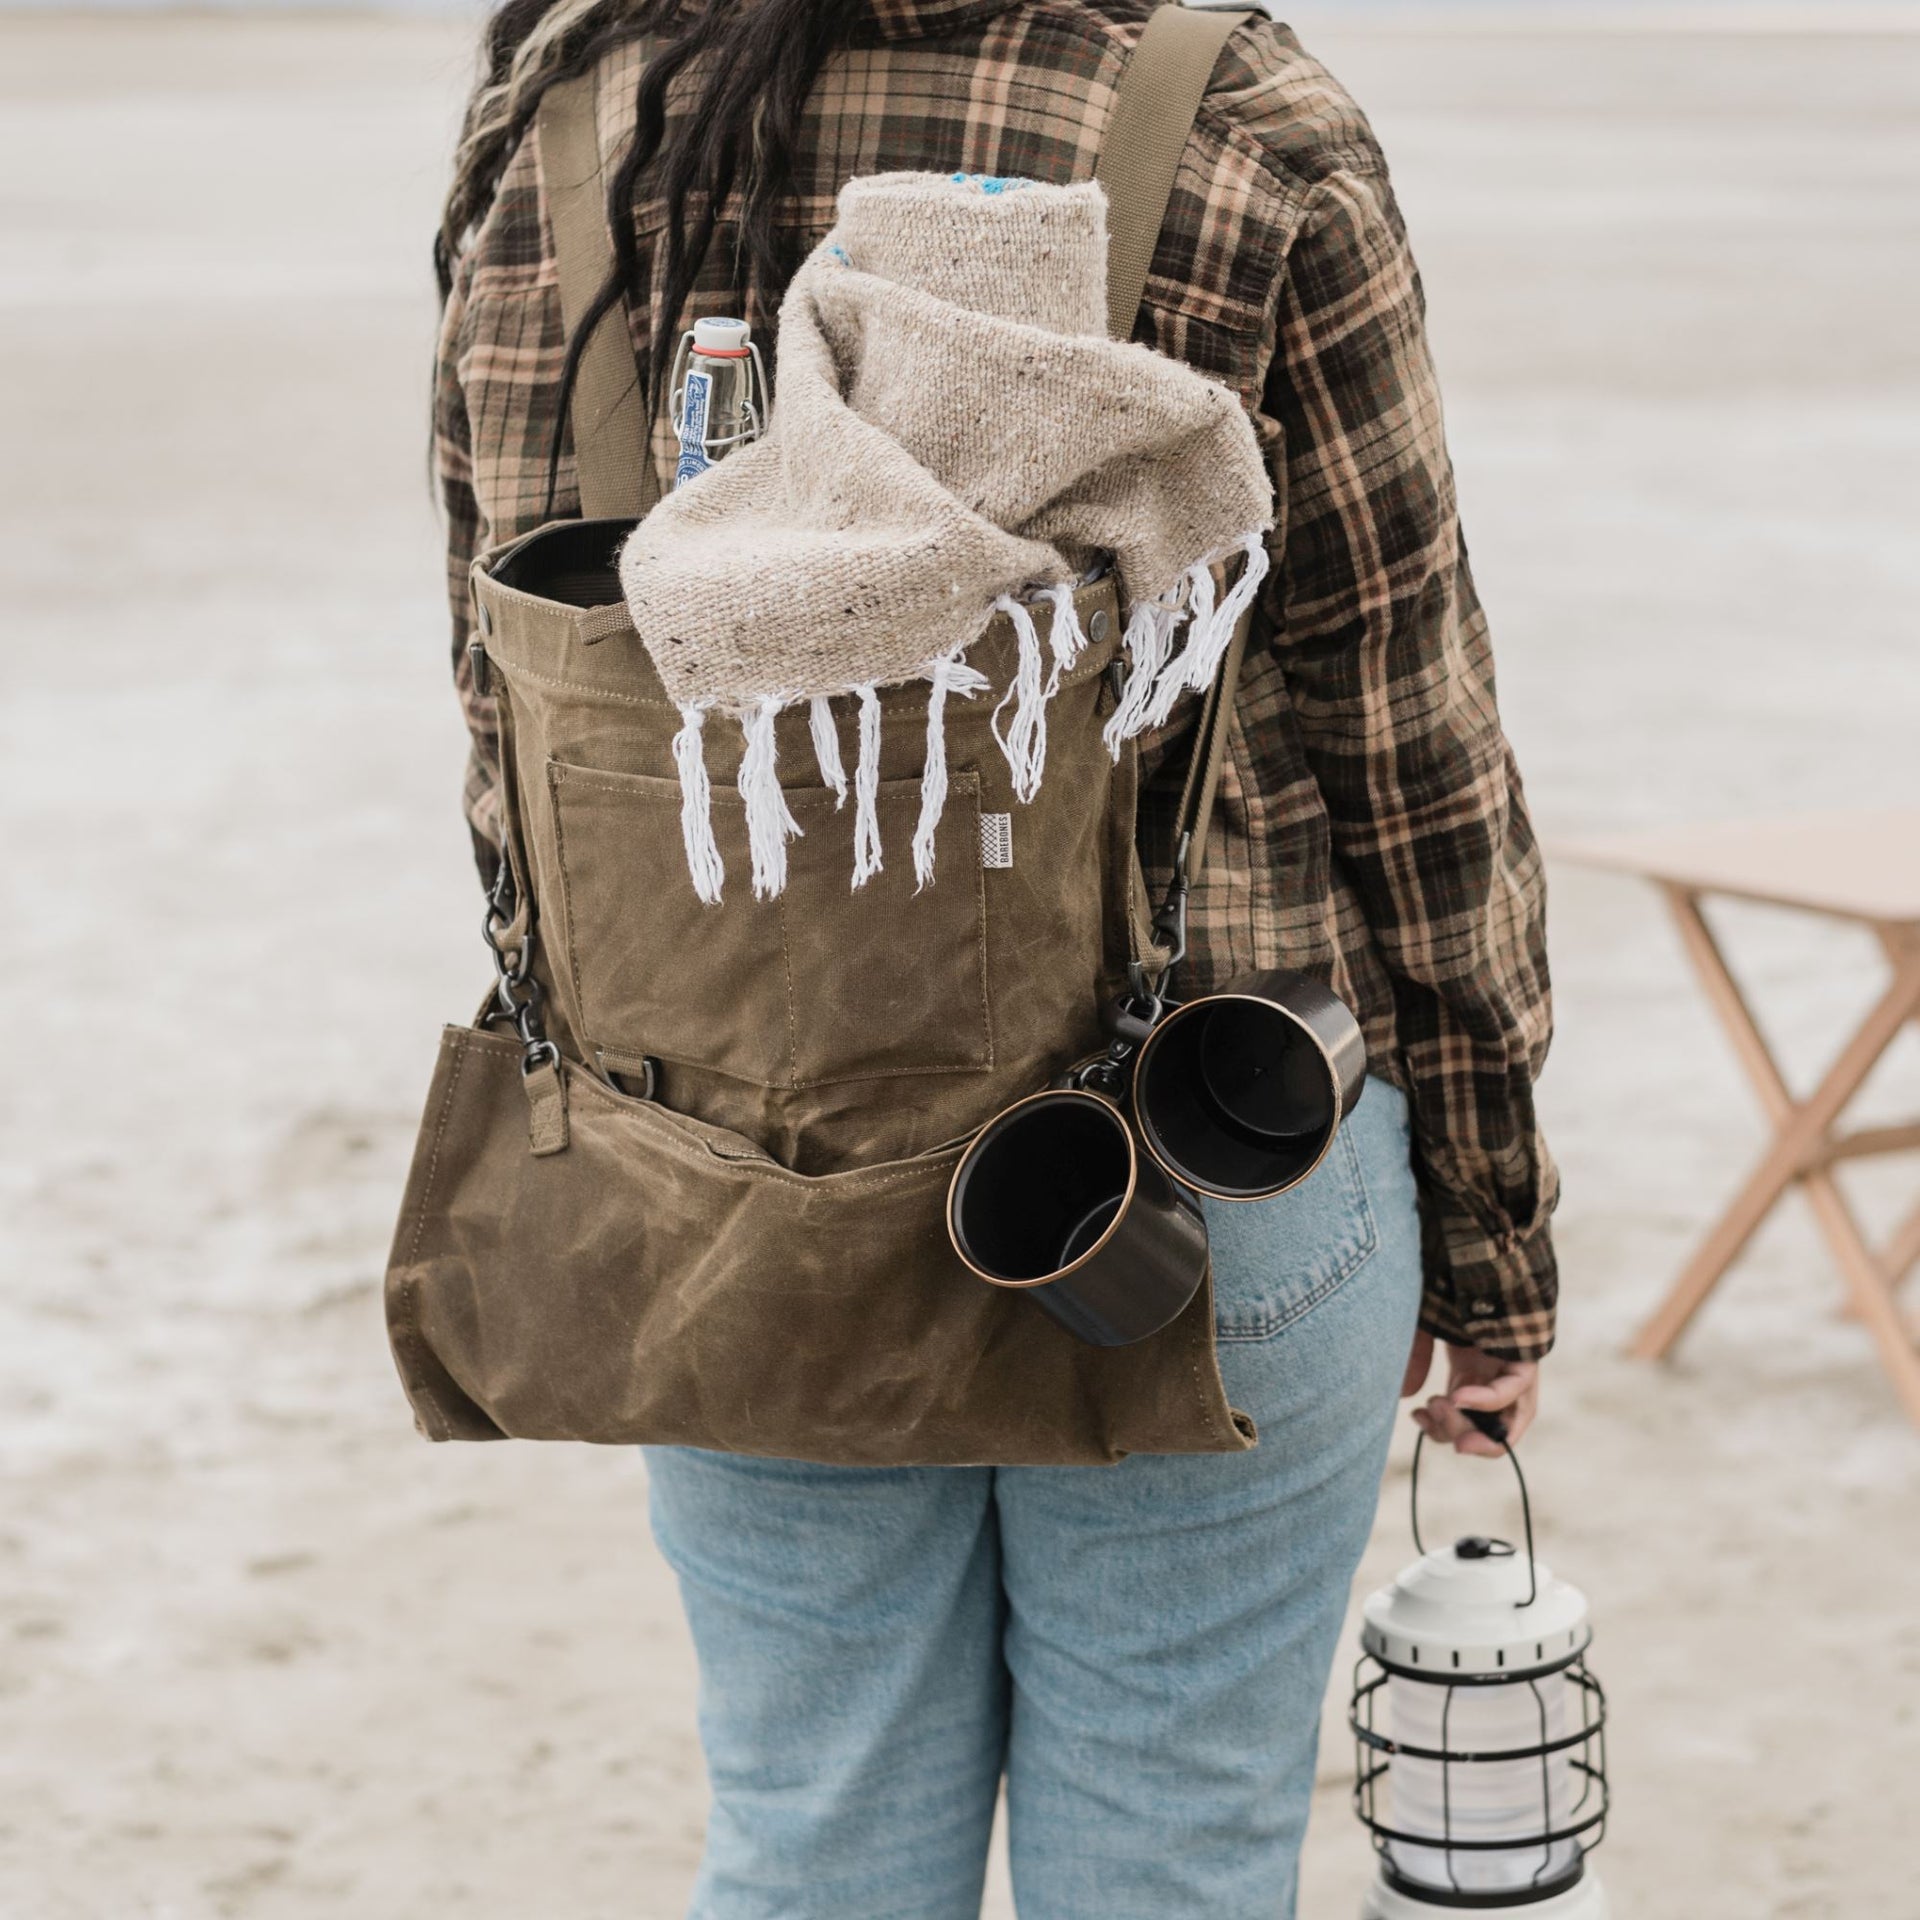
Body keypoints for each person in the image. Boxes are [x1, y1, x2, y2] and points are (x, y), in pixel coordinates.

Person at [431, 1, 1557, 1913]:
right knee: (1178, 1846)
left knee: (815, 1835)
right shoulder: (1243, 122)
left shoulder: (571, 117)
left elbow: (517, 717)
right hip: (1212, 1151)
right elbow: (1409, 739)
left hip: (739, 1177)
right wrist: (1498, 1234)